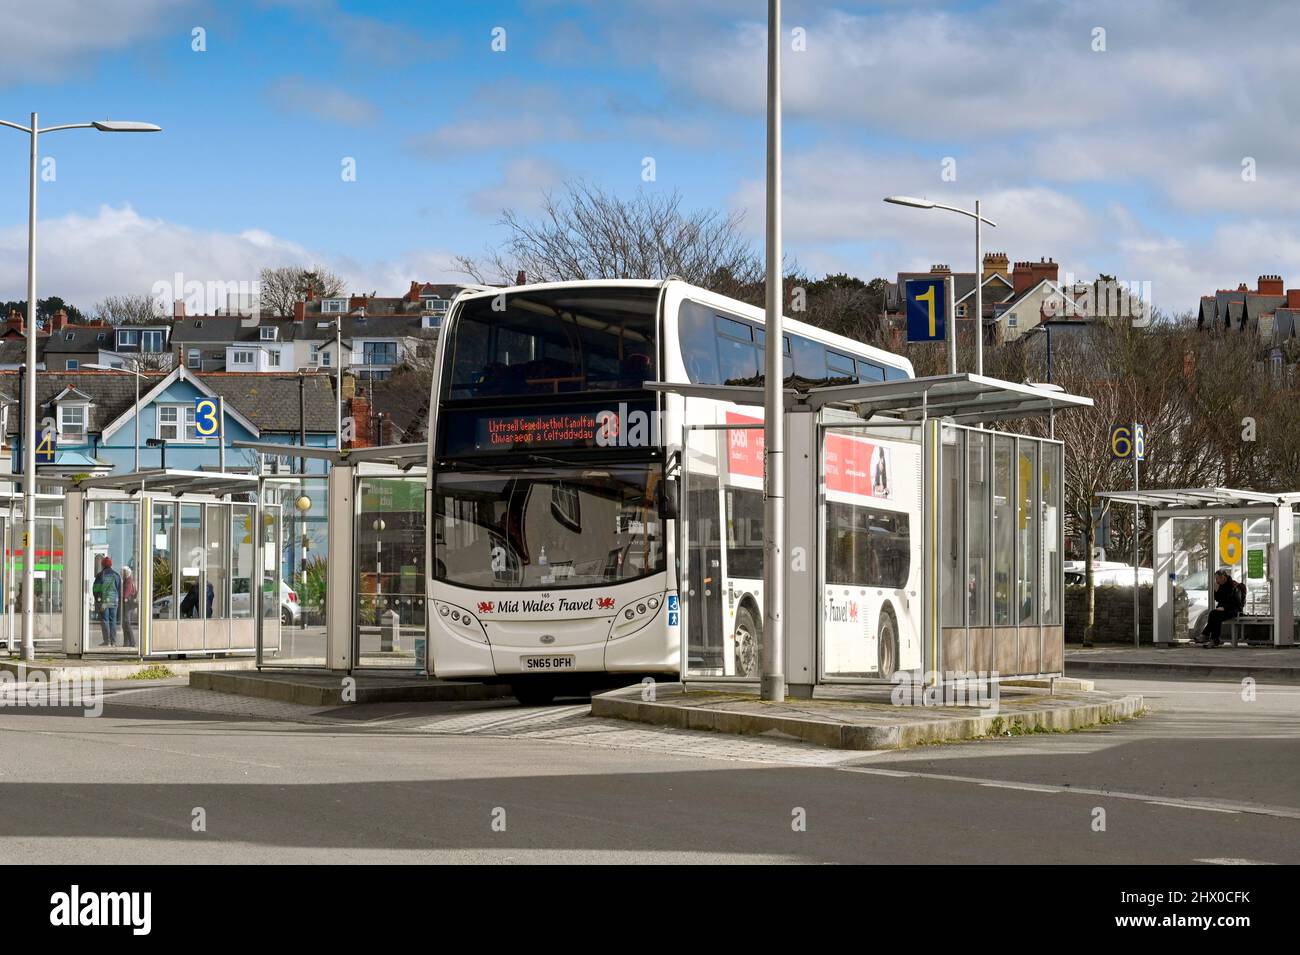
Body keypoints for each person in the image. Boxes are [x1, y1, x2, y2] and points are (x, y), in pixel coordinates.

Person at [1199, 568, 1242, 647]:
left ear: (1223, 577)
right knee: (1214, 615)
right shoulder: (1221, 585)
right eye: (1216, 579)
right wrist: (1216, 590)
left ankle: (1208, 636)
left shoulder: (1233, 585)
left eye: (1217, 578)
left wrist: (1224, 608)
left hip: (1233, 609)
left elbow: (1236, 602)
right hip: (1223, 609)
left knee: (1215, 615)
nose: (1217, 581)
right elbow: (1218, 599)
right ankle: (1212, 639)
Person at [92, 556, 123, 648]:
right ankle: (113, 641)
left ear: (103, 565)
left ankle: (107, 641)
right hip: (114, 601)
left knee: (105, 620)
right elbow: (119, 589)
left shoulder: (100, 575)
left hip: (104, 601)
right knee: (113, 620)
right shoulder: (116, 575)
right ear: (111, 565)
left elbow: (96, 589)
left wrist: (97, 599)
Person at [121, 565, 137, 648]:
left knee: (126, 622)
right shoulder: (128, 579)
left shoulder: (128, 580)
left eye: (123, 572)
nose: (122, 574)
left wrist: (123, 597)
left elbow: (127, 592)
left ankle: (132, 642)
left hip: (127, 604)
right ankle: (126, 642)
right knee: (125, 623)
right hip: (128, 604)